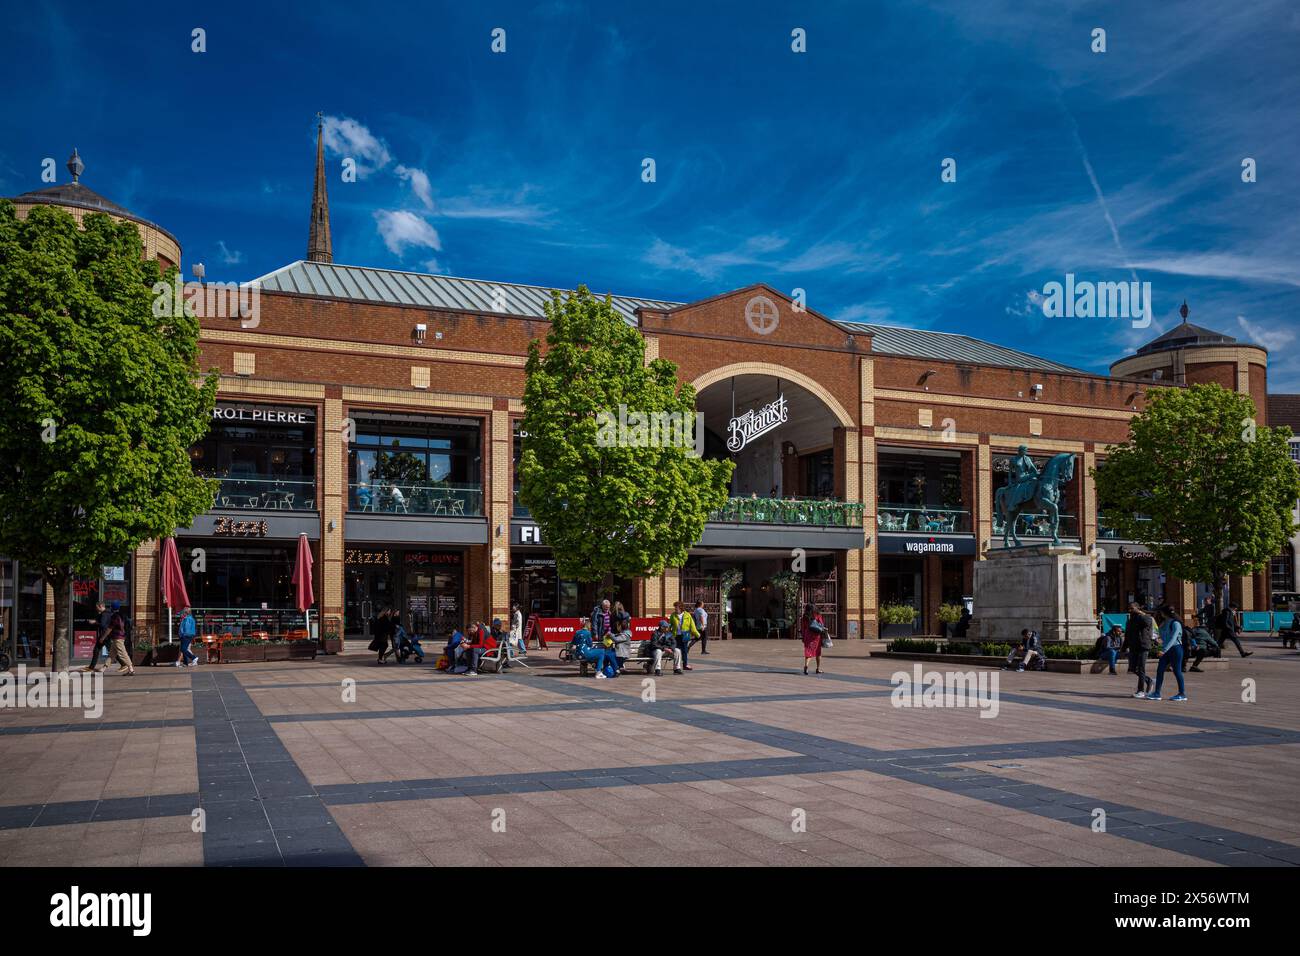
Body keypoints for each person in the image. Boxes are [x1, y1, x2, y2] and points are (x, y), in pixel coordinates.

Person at [1149, 604, 1187, 701]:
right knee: (1160, 670)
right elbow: (1161, 636)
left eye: (1160, 612)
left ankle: (1182, 694)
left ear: (1164, 613)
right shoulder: (1164, 622)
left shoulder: (1175, 623)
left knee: (1177, 671)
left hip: (1175, 649)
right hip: (1165, 649)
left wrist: (1163, 650)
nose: (1159, 614)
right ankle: (1157, 693)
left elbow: (1173, 638)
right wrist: (1158, 641)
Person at [1122, 601, 1154, 697]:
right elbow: (1127, 635)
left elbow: (1148, 622)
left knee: (1141, 668)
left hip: (1143, 646)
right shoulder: (1130, 621)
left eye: (1132, 608)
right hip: (1133, 647)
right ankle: (1149, 681)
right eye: (1129, 608)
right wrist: (1123, 648)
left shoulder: (1142, 618)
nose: (1130, 610)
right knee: (1133, 668)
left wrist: (1141, 613)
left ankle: (1141, 691)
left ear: (1137, 608)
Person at [82, 601, 113, 673]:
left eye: (97, 608)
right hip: (105, 636)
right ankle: (91, 667)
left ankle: (125, 664)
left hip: (105, 636)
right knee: (96, 650)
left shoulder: (104, 614)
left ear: (101, 606)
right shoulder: (107, 613)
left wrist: (94, 622)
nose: (96, 609)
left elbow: (103, 625)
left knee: (112, 651)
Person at [106, 601, 134, 676]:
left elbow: (110, 628)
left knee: (123, 653)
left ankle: (131, 669)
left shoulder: (114, 616)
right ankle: (104, 667)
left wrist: (103, 636)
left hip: (118, 637)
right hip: (121, 636)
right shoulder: (123, 615)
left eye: (111, 607)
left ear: (112, 608)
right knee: (112, 653)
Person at [671, 601, 700, 671]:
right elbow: (670, 625)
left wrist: (697, 634)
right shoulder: (673, 615)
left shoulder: (687, 615)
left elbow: (692, 626)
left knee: (684, 651)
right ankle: (676, 666)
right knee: (676, 651)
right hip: (676, 636)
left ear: (681, 608)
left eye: (676, 608)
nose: (675, 609)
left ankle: (685, 665)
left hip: (685, 635)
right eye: (675, 608)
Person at [800, 603, 827, 675]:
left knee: (808, 651)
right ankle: (818, 668)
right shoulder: (817, 615)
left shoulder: (804, 617)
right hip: (816, 636)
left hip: (807, 635)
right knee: (818, 652)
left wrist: (803, 637)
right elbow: (821, 624)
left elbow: (803, 628)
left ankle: (806, 666)